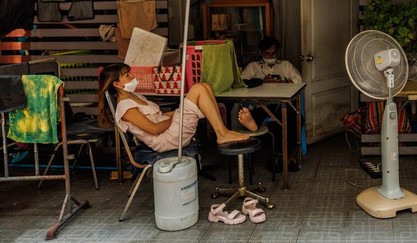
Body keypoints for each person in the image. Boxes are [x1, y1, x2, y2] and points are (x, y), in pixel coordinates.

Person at [97, 63, 258, 153]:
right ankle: (222, 133)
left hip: (169, 129)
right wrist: (176, 115)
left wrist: (175, 113)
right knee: (198, 90)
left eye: (130, 73)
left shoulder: (135, 97)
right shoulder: (125, 107)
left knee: (205, 87)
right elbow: (154, 129)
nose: (133, 77)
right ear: (117, 84)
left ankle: (226, 130)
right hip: (165, 140)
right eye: (127, 76)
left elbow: (159, 115)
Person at [238, 36, 302, 172]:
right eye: (267, 54)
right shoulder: (253, 67)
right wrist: (261, 81)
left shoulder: (286, 65)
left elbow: (299, 81)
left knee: (295, 120)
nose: (271, 56)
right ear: (261, 53)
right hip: (260, 106)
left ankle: (283, 157)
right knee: (247, 122)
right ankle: (250, 156)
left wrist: (283, 82)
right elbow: (241, 83)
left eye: (273, 53)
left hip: (280, 105)